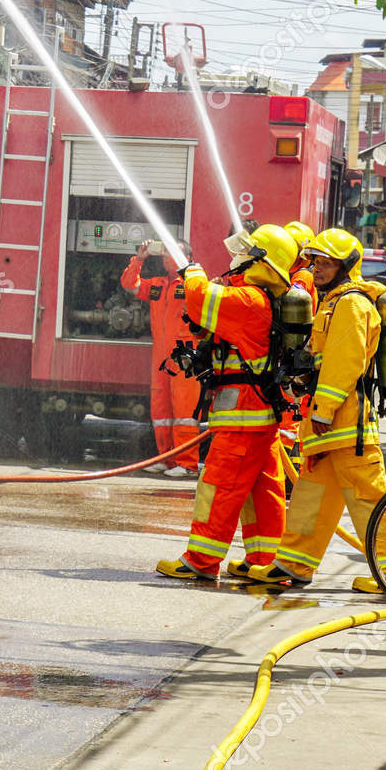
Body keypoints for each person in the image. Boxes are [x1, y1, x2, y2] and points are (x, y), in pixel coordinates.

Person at [244, 227, 386, 594]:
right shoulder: (333, 301)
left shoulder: (352, 303)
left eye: (326, 262)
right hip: (331, 424)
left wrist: (321, 410)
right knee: (311, 494)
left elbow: (344, 363)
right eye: (315, 261)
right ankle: (293, 564)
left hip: (346, 424)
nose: (316, 268)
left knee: (369, 495)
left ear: (345, 265)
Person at [156, 224, 300, 581]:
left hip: (242, 419)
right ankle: (265, 561)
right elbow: (207, 326)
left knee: (218, 488)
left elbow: (199, 298)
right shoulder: (261, 300)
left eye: (246, 251)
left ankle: (200, 562)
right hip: (259, 417)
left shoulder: (251, 300)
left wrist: (193, 270)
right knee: (263, 492)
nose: (238, 256)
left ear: (260, 261)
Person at [123, 238, 199, 477]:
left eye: (171, 252)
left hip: (185, 357)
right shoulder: (157, 285)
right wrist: (140, 258)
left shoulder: (193, 282)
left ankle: (186, 464)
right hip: (161, 358)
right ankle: (166, 458)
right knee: (161, 411)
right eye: (164, 252)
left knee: (185, 412)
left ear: (184, 257)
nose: (166, 256)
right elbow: (130, 284)